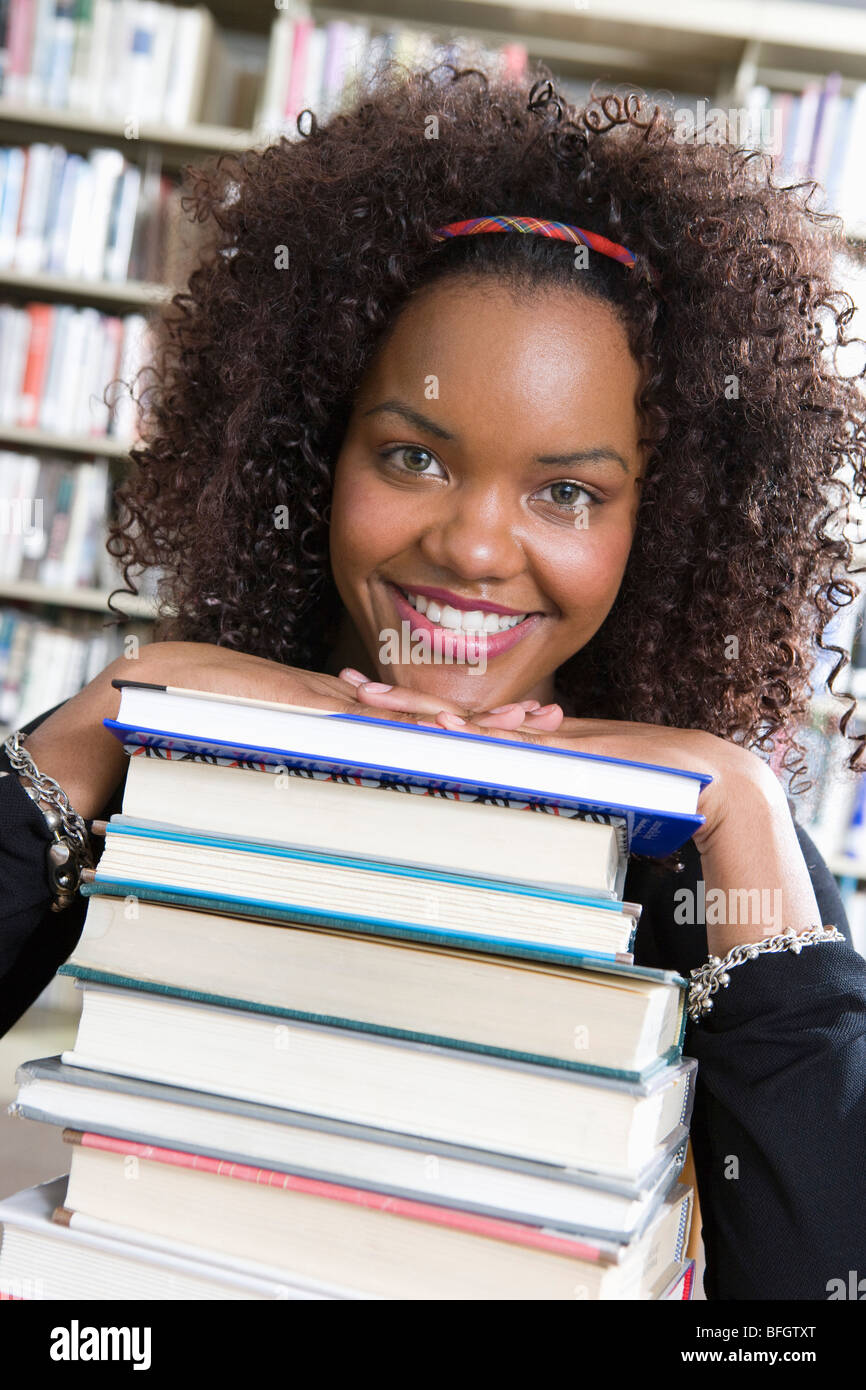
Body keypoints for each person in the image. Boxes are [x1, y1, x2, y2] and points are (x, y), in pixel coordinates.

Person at [2, 65, 865, 1301]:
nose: (469, 546)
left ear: (657, 526)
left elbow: (812, 1293)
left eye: (567, 491)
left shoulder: (714, 851)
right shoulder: (185, 754)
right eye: (412, 454)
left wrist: (740, 797)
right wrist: (107, 715)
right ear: (314, 445)